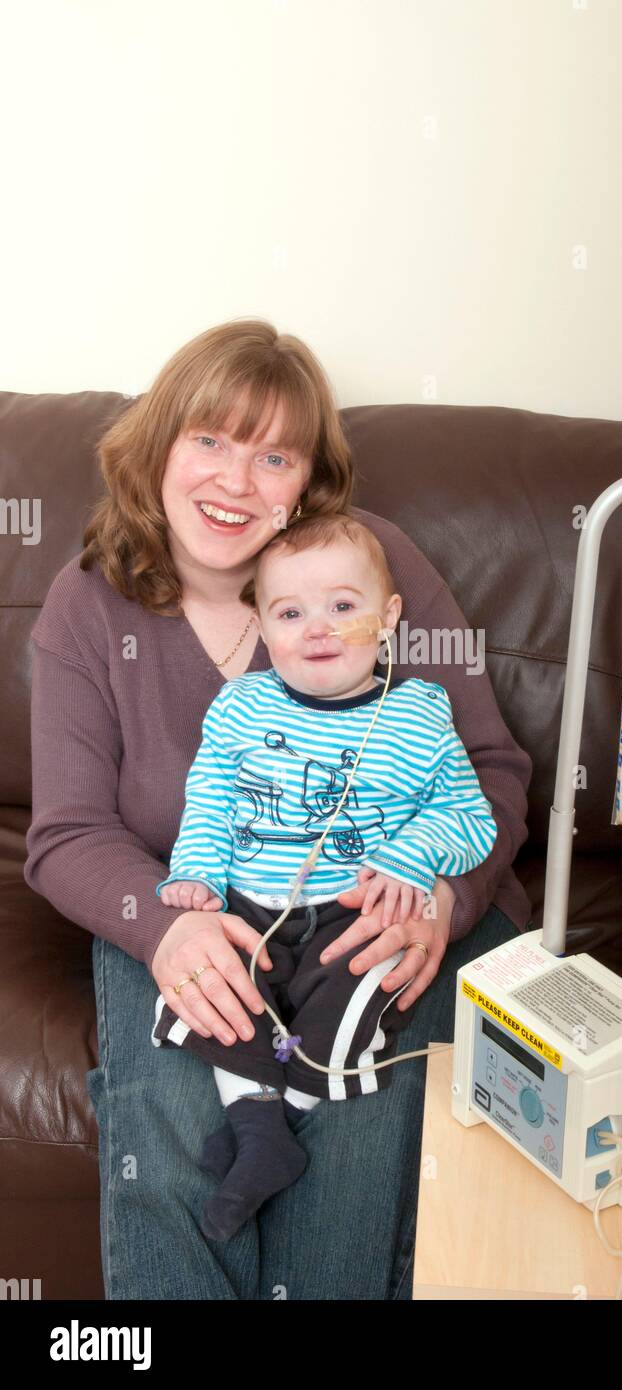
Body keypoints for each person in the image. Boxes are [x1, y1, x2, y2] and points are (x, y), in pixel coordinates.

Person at [24, 318, 533, 1300]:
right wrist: (163, 928)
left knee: (355, 1107)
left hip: (373, 893)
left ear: (304, 480)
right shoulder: (88, 604)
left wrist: (440, 896)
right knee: (176, 1117)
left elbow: (490, 765)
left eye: (272, 456)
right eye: (208, 440)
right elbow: (66, 834)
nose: (233, 481)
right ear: (157, 446)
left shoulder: (367, 564)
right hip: (194, 899)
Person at [151, 513, 498, 1241]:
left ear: (388, 618)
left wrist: (413, 856)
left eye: (343, 606)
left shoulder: (417, 715)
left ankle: (278, 1125)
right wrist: (197, 879)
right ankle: (259, 1129)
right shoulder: (241, 707)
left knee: (356, 1000)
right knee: (208, 998)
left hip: (352, 917)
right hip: (252, 910)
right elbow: (209, 800)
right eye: (289, 612)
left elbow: (473, 821)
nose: (317, 628)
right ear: (262, 628)